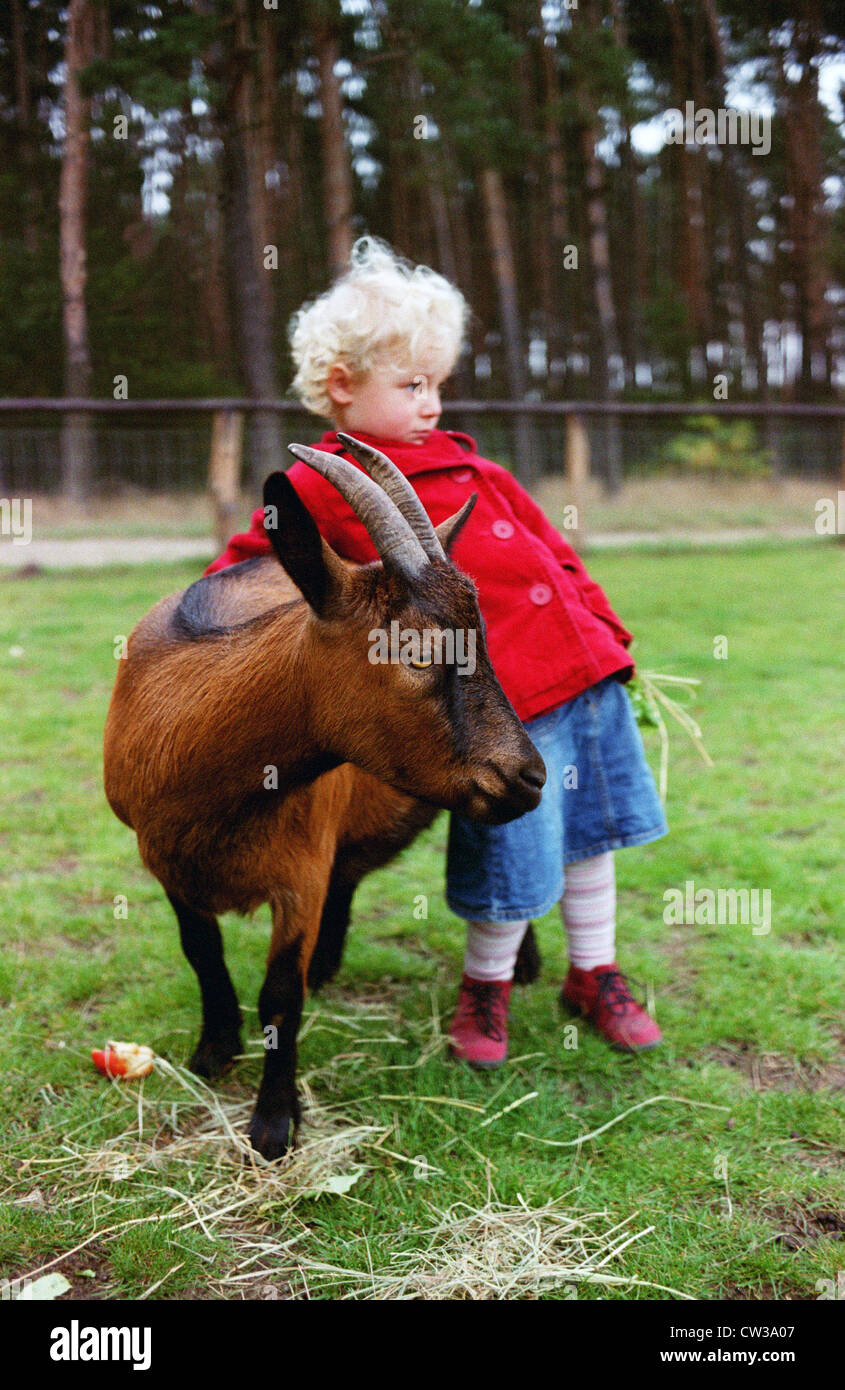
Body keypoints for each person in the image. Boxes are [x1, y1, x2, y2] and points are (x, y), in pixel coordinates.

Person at [206, 237, 668, 1067]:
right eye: (412, 385)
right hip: (496, 706)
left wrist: (609, 639)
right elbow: (254, 557)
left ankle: (593, 969)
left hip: (582, 678)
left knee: (591, 834)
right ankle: (485, 986)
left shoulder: (476, 466)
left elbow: (554, 560)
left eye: (438, 385)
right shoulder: (330, 479)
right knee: (513, 846)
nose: (432, 403)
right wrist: (199, 629)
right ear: (341, 388)